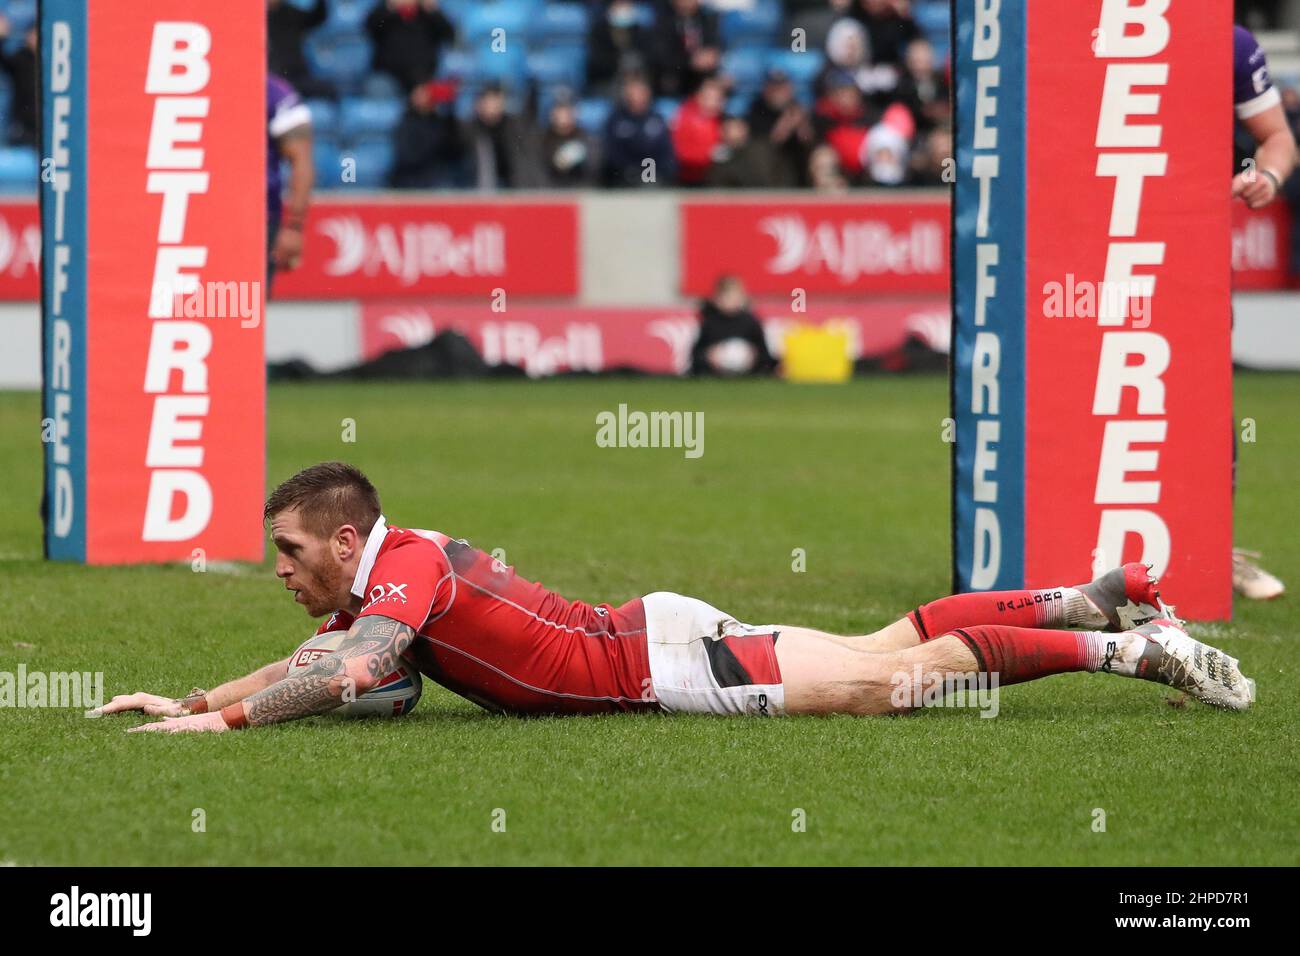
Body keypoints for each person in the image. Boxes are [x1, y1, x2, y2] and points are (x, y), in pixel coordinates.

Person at [97, 462, 1255, 732]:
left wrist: (226, 723)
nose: (283, 570)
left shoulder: (400, 573)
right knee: (882, 642)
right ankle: (1090, 595)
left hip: (663, 666)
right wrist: (194, 693)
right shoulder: (398, 561)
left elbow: (350, 669)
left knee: (878, 684)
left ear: (346, 537)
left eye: (293, 550)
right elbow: (325, 652)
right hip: (655, 636)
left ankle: (1135, 648)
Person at [1229, 25, 1296, 600]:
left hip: (1186, 249)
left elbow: (1277, 137)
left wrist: (1267, 177)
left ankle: (1206, 545)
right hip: (1086, 246)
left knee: (1198, 398)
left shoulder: (1228, 43)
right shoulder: (1077, 30)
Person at [266, 75, 314, 288]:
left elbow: (301, 160)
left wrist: (294, 225)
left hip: (258, 222)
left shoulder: (271, 91)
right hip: (197, 218)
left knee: (243, 311)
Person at [690, 275, 777, 375]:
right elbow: (695, 356)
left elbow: (765, 356)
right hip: (716, 375)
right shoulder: (709, 323)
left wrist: (754, 357)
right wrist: (708, 356)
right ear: (717, 299)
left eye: (734, 296)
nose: (730, 300)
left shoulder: (751, 322)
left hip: (747, 376)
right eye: (726, 296)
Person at [365, 0, 457, 93]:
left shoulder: (428, 14)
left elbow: (449, 35)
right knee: (378, 88)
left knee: (431, 94)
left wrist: (433, 11)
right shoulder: (386, 11)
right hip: (388, 74)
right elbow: (370, 27)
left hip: (422, 76)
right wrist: (389, 8)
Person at [602, 71, 676, 186]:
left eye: (640, 91)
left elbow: (665, 153)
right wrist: (631, 170)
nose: (637, 96)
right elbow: (612, 152)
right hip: (622, 179)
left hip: (653, 177)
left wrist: (653, 171)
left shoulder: (657, 119)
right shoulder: (616, 120)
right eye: (633, 91)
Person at [650, 0, 722, 98]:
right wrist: (691, 60)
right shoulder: (663, 21)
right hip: (675, 84)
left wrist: (712, 55)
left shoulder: (707, 18)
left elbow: (715, 45)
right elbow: (661, 55)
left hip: (703, 83)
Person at [267, 0, 335, 100]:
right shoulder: (256, 19)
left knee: (328, 90)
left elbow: (318, 17)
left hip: (297, 75)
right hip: (276, 77)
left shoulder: (290, 13)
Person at [0, 17, 37, 145]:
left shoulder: (51, 64)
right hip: (23, 125)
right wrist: (1, 38)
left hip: (44, 122)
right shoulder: (21, 58)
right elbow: (3, 61)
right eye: (33, 33)